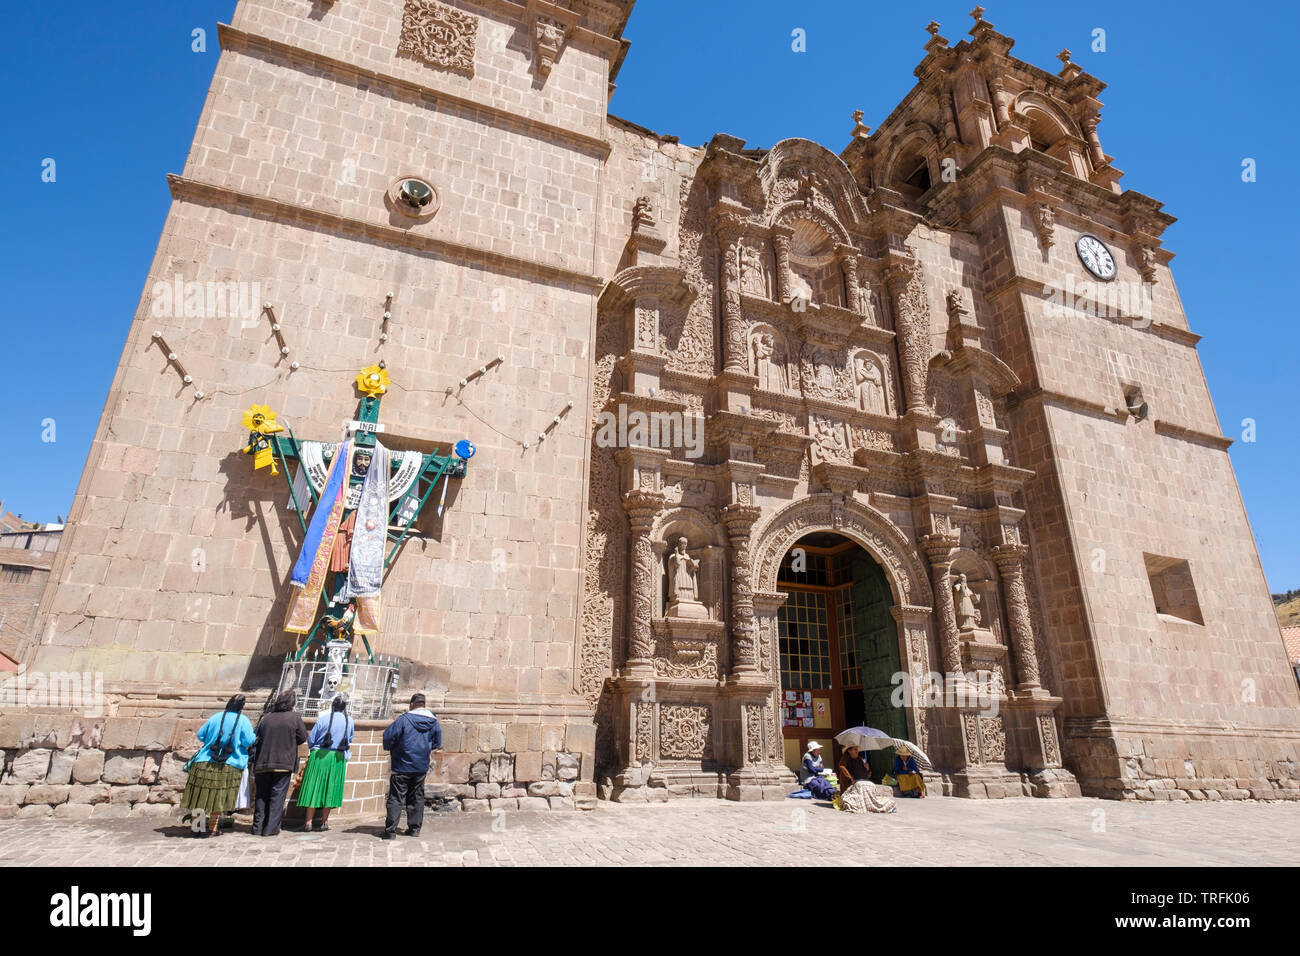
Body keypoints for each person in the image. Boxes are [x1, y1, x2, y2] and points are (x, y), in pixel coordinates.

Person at [180, 694, 256, 838]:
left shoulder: (216, 717)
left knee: (200, 795)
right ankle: (213, 828)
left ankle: (197, 827)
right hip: (228, 764)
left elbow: (201, 735)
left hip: (204, 760)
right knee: (219, 797)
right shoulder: (243, 720)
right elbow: (249, 741)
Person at [381, 693, 442, 840]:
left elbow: (388, 737)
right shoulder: (433, 722)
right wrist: (424, 749)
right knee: (417, 797)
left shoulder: (404, 720)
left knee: (396, 797)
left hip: (402, 765)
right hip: (420, 766)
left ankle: (390, 831)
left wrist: (393, 748)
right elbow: (437, 742)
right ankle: (414, 829)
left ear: (412, 705)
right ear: (424, 704)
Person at [250, 690, 309, 837]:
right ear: (292, 704)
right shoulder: (294, 718)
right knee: (277, 795)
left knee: (261, 795)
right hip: (283, 763)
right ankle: (271, 828)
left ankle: (257, 827)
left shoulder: (266, 718)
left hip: (262, 762)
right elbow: (302, 737)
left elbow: (255, 736)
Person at [298, 693, 355, 831]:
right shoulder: (350, 721)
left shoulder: (323, 719)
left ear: (332, 706)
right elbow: (349, 739)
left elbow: (311, 740)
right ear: (345, 707)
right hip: (337, 757)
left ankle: (308, 823)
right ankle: (324, 822)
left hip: (319, 756)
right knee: (331, 787)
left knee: (313, 787)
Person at [837, 744, 897, 814]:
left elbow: (867, 775)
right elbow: (842, 768)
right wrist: (851, 778)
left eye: (857, 749)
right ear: (849, 751)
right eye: (855, 749)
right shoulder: (845, 759)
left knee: (876, 798)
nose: (857, 751)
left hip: (865, 783)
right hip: (855, 785)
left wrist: (867, 769)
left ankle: (879, 805)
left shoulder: (860, 759)